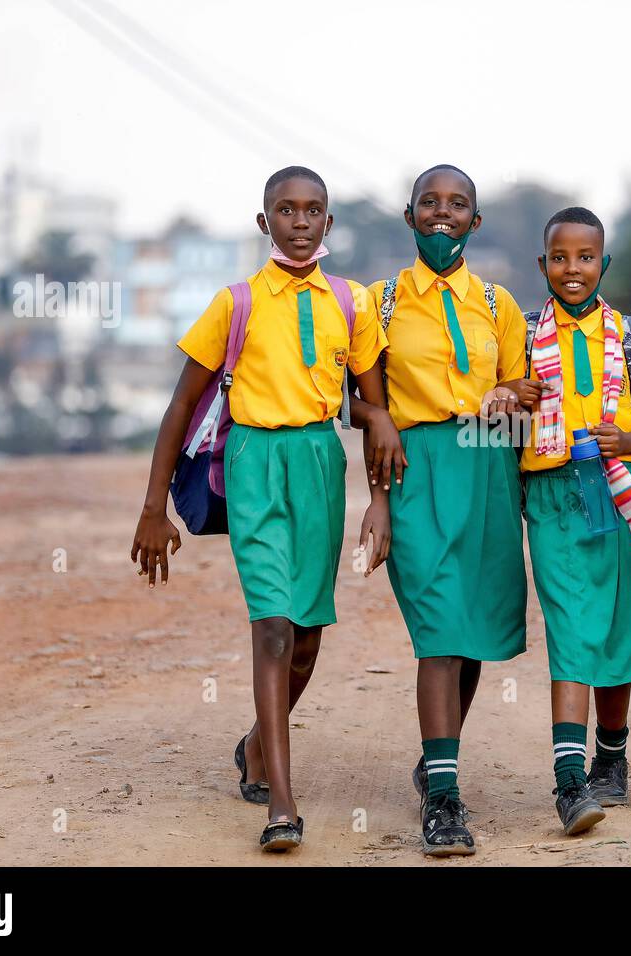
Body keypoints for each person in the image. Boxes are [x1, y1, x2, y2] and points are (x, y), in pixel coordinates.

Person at [129, 166, 389, 851]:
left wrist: (380, 466)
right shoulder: (235, 303)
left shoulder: (352, 302)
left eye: (312, 211)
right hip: (252, 465)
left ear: (329, 224)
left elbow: (370, 403)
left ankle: (251, 743)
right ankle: (283, 799)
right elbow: (181, 405)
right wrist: (152, 507)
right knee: (272, 624)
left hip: (319, 466)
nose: (299, 222)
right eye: (285, 210)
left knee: (307, 633)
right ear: (263, 221)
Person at [360, 164, 531, 857]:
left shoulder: (497, 303)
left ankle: (437, 759)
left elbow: (526, 385)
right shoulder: (380, 303)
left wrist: (512, 397)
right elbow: (358, 400)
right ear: (409, 216)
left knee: (476, 634)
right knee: (439, 631)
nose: (442, 214)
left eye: (457, 204)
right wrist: (377, 447)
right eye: (429, 203)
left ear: (475, 222)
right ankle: (444, 802)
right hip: (415, 472)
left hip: (488, 466)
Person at [519, 207, 631, 834]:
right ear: (543, 265)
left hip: (624, 491)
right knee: (572, 630)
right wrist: (508, 396)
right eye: (559, 258)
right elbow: (498, 414)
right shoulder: (526, 335)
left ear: (603, 264)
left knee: (617, 626)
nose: (572, 269)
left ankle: (610, 759)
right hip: (556, 496)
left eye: (585, 258)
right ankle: (568, 783)